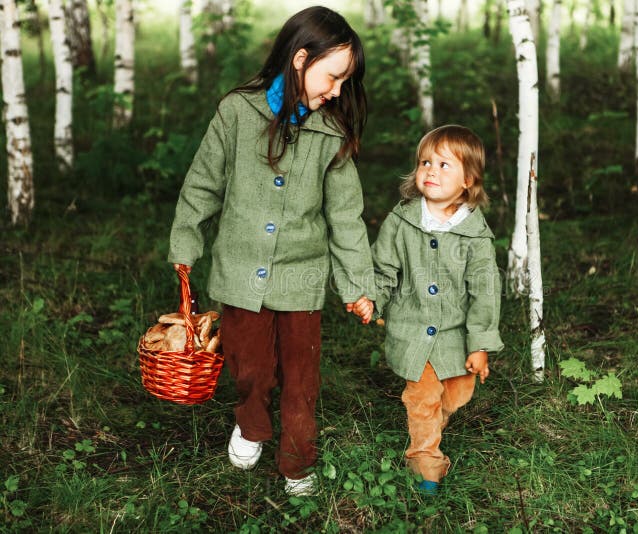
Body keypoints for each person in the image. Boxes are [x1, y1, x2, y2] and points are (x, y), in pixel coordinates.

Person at [168, 6, 375, 497]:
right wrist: (186, 241)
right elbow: (202, 183)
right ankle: (252, 423)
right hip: (241, 271)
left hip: (302, 277)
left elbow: (346, 219)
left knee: (302, 378)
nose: (337, 91)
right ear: (301, 59)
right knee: (251, 368)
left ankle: (298, 462)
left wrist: (357, 286)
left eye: (345, 82)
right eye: (333, 77)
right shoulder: (237, 113)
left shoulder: (331, 135)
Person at [353, 125, 504, 494]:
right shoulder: (401, 221)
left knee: (455, 395)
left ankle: (435, 421)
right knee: (421, 399)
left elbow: (485, 292)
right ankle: (425, 463)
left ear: (468, 180)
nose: (431, 171)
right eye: (425, 163)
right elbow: (384, 269)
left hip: (455, 334)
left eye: (443, 165)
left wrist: (479, 344)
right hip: (413, 328)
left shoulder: (475, 235)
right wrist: (373, 299)